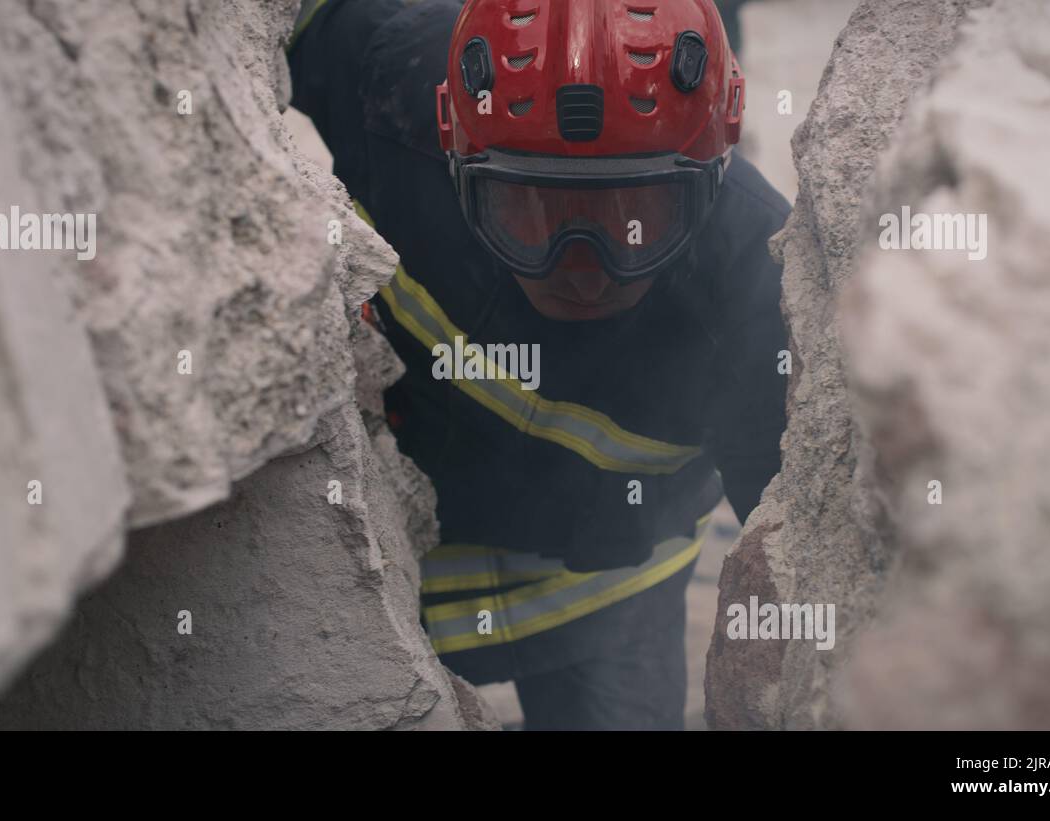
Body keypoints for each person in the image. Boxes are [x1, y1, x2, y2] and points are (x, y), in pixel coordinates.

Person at [289, 0, 790, 730]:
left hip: (610, 593)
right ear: (449, 143)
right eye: (529, 212)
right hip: (396, 570)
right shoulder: (383, 77)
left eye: (632, 222)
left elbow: (795, 550)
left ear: (711, 178)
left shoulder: (758, 287)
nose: (582, 272)